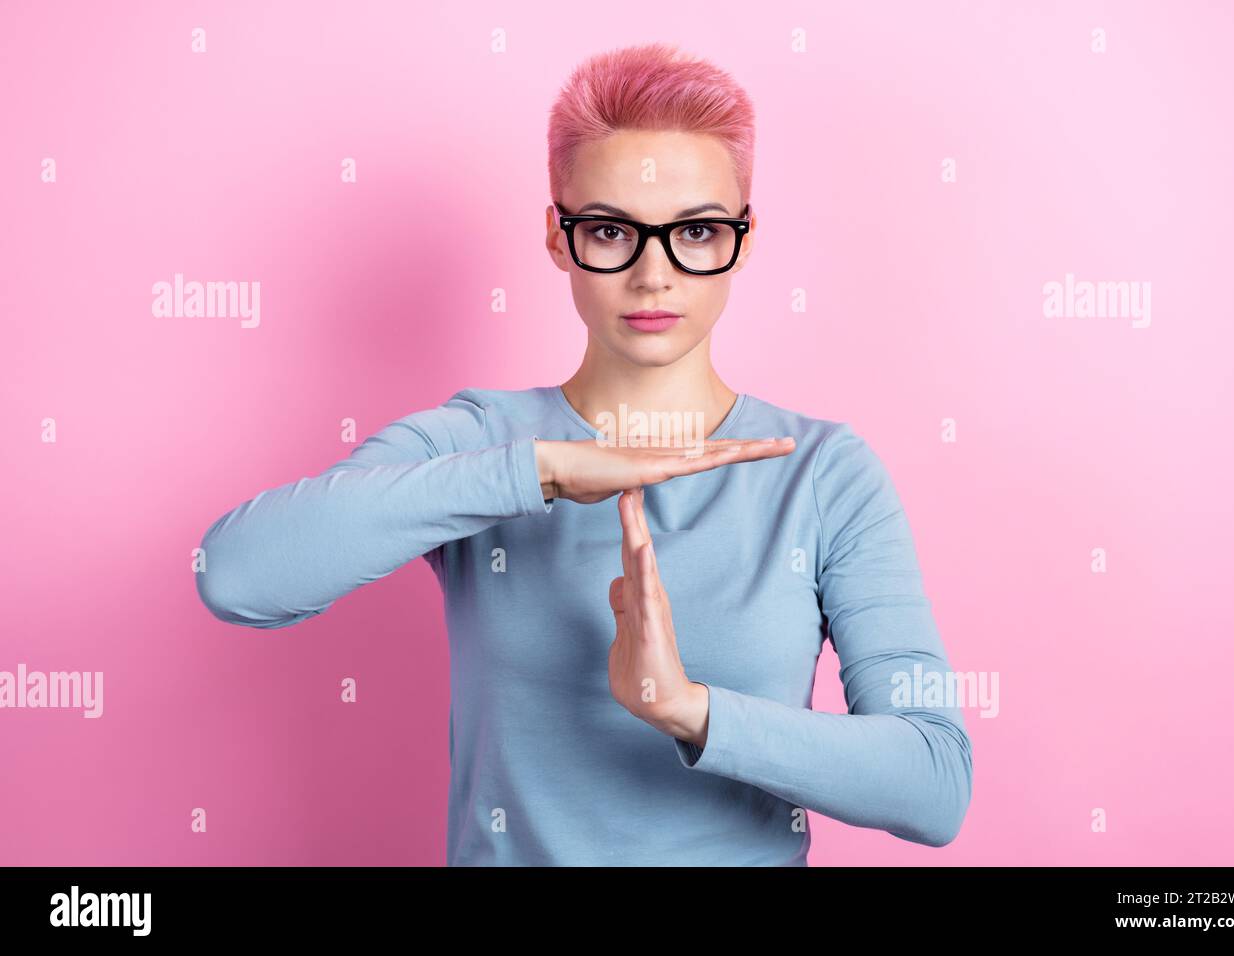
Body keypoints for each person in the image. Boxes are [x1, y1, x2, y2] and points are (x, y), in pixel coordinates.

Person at [195, 41, 973, 866]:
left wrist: (689, 710)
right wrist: (542, 470)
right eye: (610, 231)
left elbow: (934, 783)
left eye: (697, 232)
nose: (653, 275)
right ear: (558, 238)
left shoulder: (823, 473)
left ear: (741, 242)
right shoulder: (481, 443)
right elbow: (238, 576)